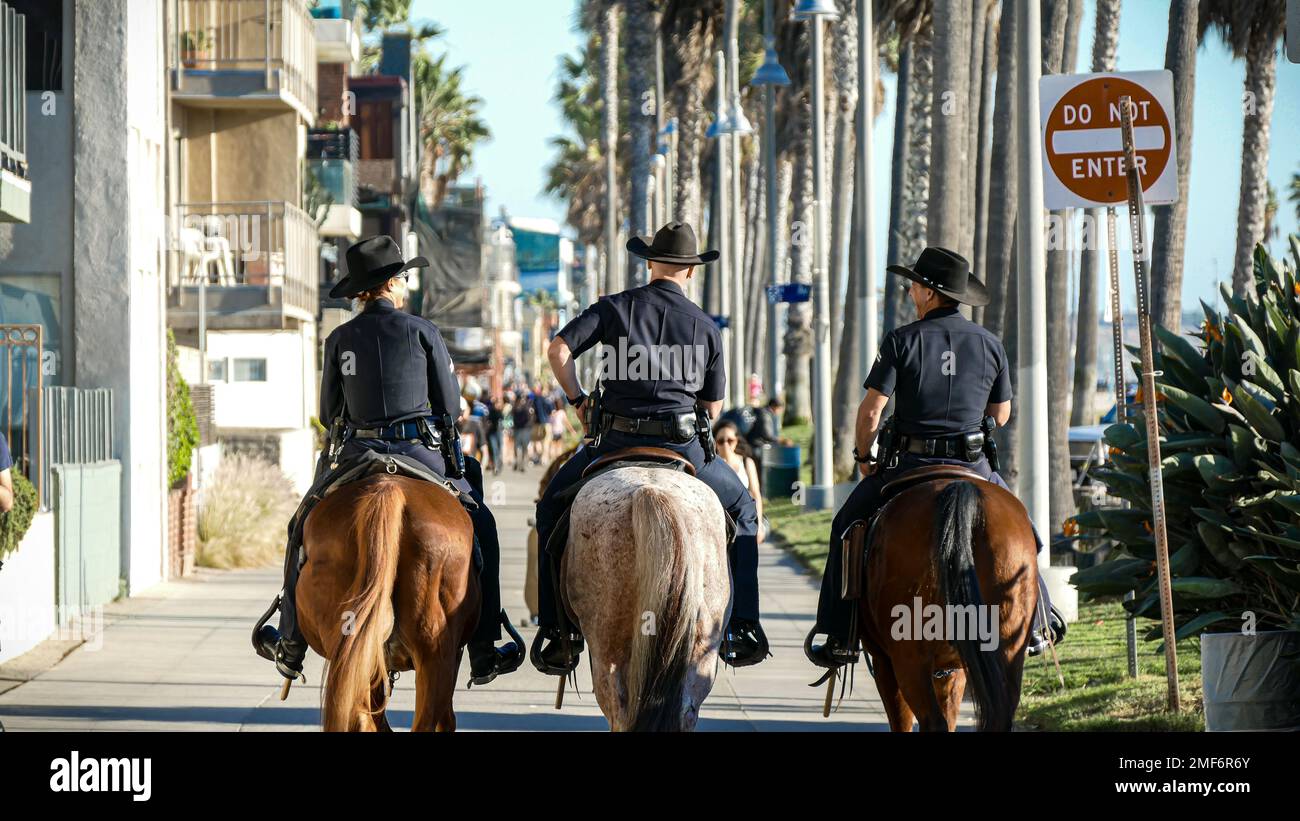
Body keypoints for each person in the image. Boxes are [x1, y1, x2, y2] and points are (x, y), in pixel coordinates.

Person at [254, 235, 522, 686]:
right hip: (420, 453)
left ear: (361, 291)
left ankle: (291, 640)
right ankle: (484, 647)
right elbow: (451, 406)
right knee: (483, 526)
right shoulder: (424, 332)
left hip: (358, 455)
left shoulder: (339, 339)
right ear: (394, 283)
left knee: (301, 526)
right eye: (404, 278)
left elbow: (327, 414)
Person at [805, 247, 1066, 670]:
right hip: (974, 467)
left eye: (914, 284)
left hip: (909, 466)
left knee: (845, 525)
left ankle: (838, 632)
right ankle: (1038, 623)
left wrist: (864, 456)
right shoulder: (990, 343)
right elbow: (1001, 415)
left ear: (929, 292)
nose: (910, 290)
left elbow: (872, 411)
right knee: (1027, 532)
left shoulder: (900, 341)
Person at [531, 221, 769, 672]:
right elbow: (712, 407)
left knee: (549, 510)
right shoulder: (706, 326)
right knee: (744, 512)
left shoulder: (613, 309)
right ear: (691, 273)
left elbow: (559, 350)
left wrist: (580, 400)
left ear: (649, 263)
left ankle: (555, 630)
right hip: (685, 448)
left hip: (613, 443)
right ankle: (743, 624)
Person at [714, 419, 763, 543]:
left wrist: (759, 524)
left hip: (744, 521)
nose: (725, 445)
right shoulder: (711, 466)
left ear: (736, 441)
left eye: (730, 440)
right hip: (720, 523)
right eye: (721, 441)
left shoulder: (747, 462)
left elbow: (755, 494)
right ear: (714, 443)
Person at [511, 393, 534, 471]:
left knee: (524, 447)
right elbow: (512, 418)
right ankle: (517, 462)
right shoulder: (514, 408)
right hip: (517, 429)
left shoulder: (526, 408)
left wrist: (528, 426)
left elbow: (530, 418)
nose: (522, 401)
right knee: (517, 447)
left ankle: (523, 464)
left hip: (524, 429)